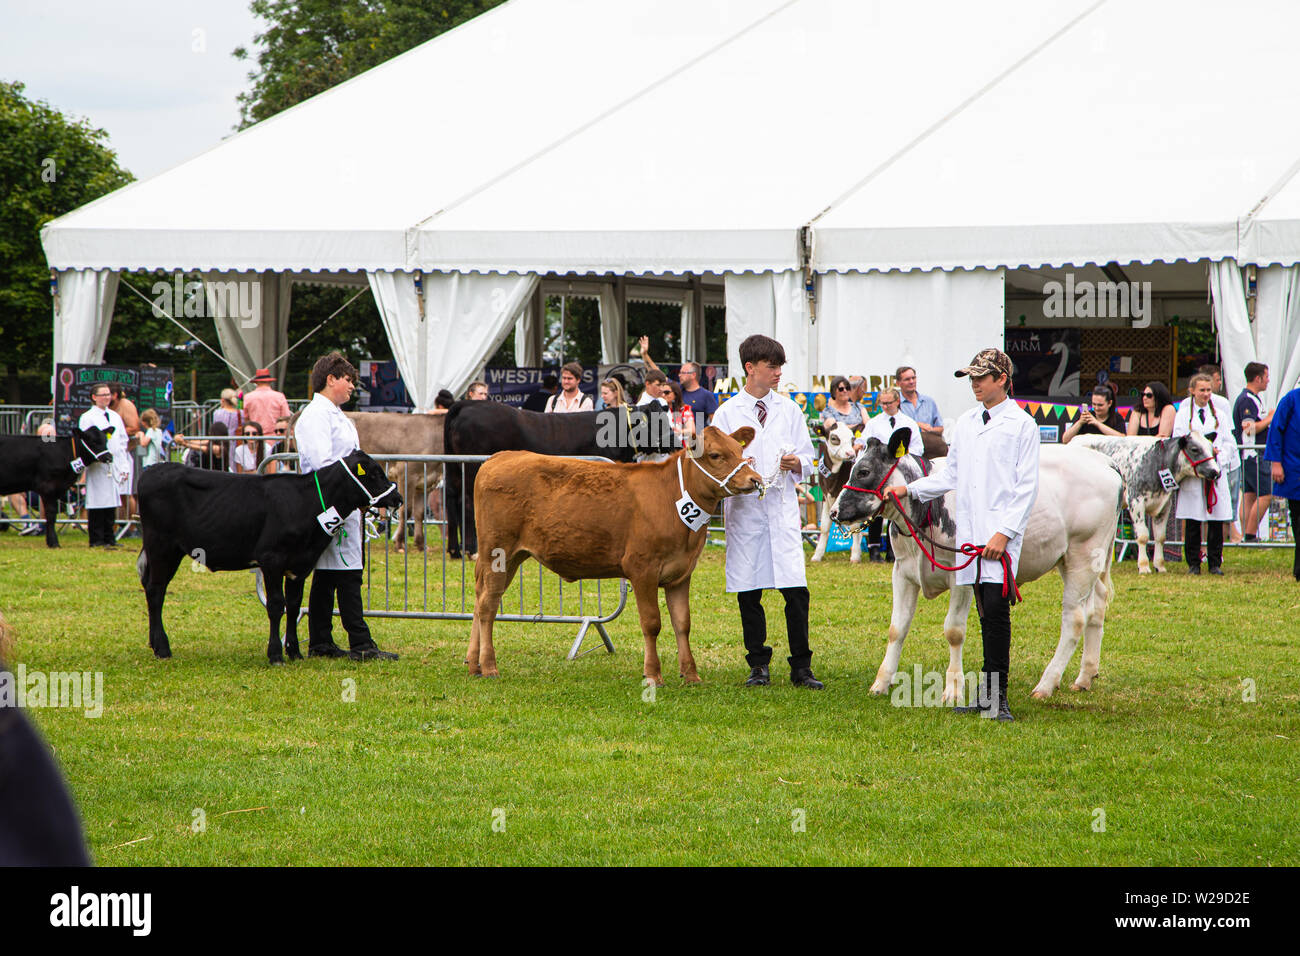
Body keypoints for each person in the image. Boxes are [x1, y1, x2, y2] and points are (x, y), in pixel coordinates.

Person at [883, 348, 1039, 721]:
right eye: (971, 378)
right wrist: (911, 490)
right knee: (983, 611)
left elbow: (1027, 486)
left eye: (980, 378)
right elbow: (950, 476)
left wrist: (1005, 533)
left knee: (997, 610)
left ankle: (997, 697)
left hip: (999, 534)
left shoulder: (1022, 425)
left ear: (1001, 379)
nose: (974, 385)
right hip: (969, 533)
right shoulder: (967, 422)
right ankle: (986, 695)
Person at [711, 334, 823, 690]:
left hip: (781, 508)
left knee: (796, 591)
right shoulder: (727, 413)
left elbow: (810, 457)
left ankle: (801, 666)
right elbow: (711, 463)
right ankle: (757, 663)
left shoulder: (789, 410)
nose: (777, 373)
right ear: (750, 368)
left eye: (779, 367)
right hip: (746, 512)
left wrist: (797, 463)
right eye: (771, 367)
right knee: (750, 591)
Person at [296, 350, 398, 661]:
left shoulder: (335, 415)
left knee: (330, 574)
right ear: (331, 380)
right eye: (348, 380)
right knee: (347, 574)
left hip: (345, 505)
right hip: (331, 503)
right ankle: (360, 643)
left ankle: (321, 641)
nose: (352, 386)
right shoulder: (315, 416)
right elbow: (321, 462)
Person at [1173, 373, 1235, 575]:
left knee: (1216, 521)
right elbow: (1179, 441)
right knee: (1193, 520)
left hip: (1214, 471)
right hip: (1194, 473)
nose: (1206, 394)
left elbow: (1229, 443)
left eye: (1209, 390)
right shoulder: (1183, 414)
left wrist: (1219, 457)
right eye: (1202, 390)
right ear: (1192, 391)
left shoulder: (1221, 415)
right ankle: (1193, 563)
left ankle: (1215, 562)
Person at [78, 383, 129, 549]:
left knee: (111, 500)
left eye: (108, 394)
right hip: (98, 464)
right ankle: (96, 538)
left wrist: (123, 465)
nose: (106, 397)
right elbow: (85, 441)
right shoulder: (88, 417)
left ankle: (109, 537)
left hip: (113, 463)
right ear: (94, 397)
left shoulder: (114, 416)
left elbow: (122, 441)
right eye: (103, 395)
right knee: (97, 500)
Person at [1263, 379, 1300, 580]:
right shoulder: (1291, 400)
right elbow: (1275, 431)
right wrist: (1275, 462)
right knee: (1298, 519)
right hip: (1294, 467)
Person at [1234, 362, 1275, 542]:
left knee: (1250, 494)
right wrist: (1269, 419)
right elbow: (1249, 429)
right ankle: (1250, 535)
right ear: (1257, 378)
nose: (1268, 381)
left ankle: (1246, 534)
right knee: (1266, 494)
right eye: (1266, 377)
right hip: (1253, 454)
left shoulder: (1253, 398)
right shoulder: (1247, 400)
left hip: (1251, 454)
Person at [896, 365, 945, 435]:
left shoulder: (929, 401)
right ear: (898, 383)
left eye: (913, 378)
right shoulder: (895, 403)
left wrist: (930, 430)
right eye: (907, 379)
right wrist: (918, 425)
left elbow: (940, 428)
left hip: (929, 442)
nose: (911, 381)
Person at [241, 368, 291, 435]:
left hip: (255, 435)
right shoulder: (279, 396)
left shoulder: (248, 397)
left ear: (256, 382)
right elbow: (286, 417)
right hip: (275, 434)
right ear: (269, 382)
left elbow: (245, 417)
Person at [678, 360, 719, 431]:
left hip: (698, 438)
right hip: (678, 438)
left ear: (693, 375)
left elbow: (715, 423)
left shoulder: (706, 395)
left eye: (683, 373)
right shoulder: (677, 391)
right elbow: (661, 378)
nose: (679, 375)